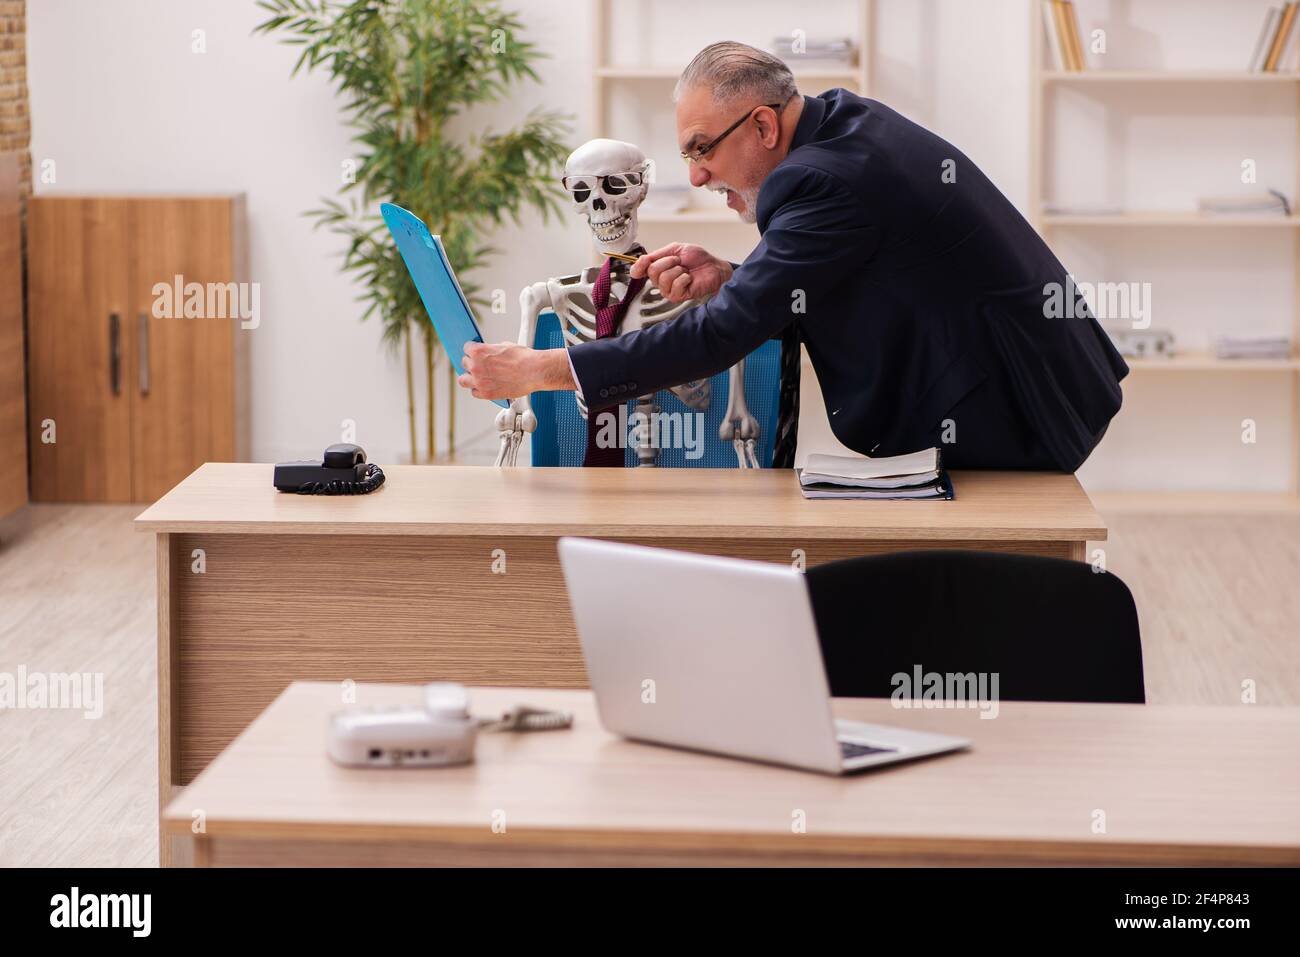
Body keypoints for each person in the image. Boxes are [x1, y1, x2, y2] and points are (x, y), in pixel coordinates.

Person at [459, 41, 1127, 471]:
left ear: (762, 126)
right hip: (1032, 379)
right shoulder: (841, 123)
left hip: (1013, 408)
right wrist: (731, 275)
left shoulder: (814, 181)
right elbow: (845, 268)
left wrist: (544, 368)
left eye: (700, 149)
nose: (694, 175)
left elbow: (719, 335)